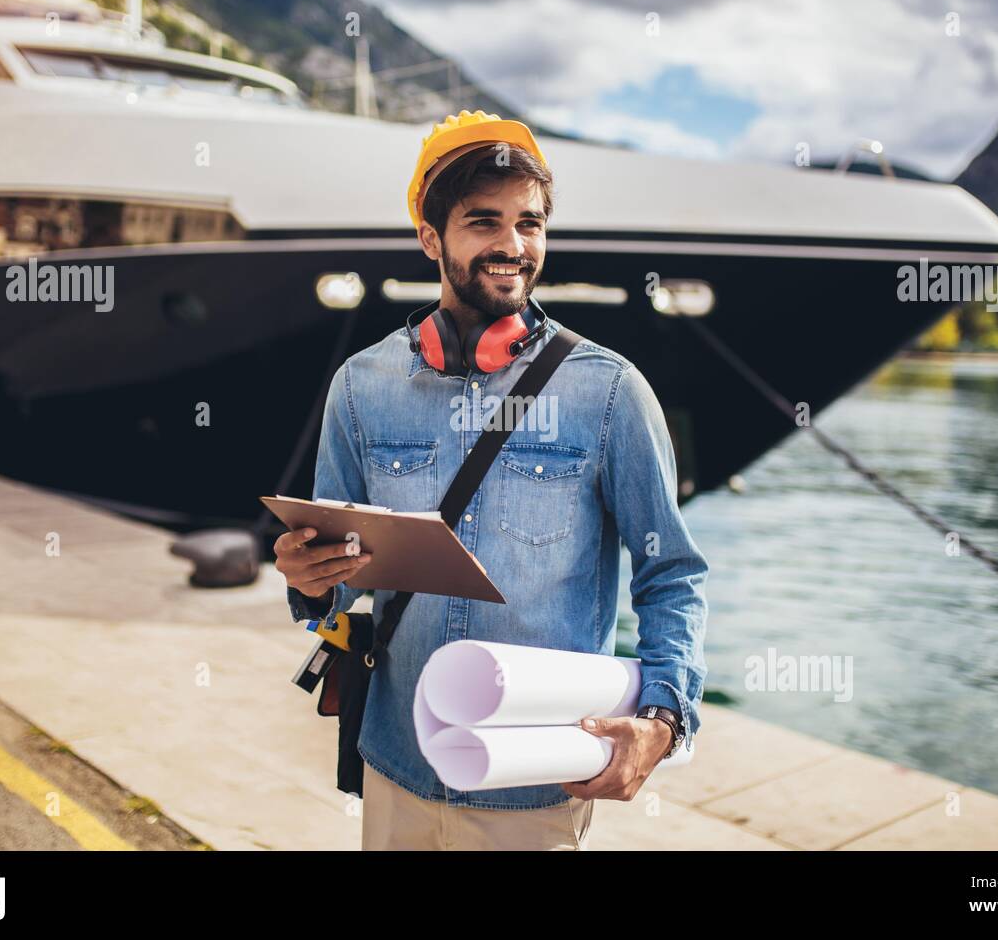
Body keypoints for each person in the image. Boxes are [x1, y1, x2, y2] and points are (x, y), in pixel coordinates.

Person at [274, 111, 709, 850]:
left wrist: (661, 724)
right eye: (484, 222)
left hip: (535, 784)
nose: (513, 246)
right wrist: (311, 581)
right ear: (430, 238)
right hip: (395, 765)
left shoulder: (609, 393)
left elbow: (672, 575)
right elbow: (338, 594)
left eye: (530, 224)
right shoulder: (360, 387)